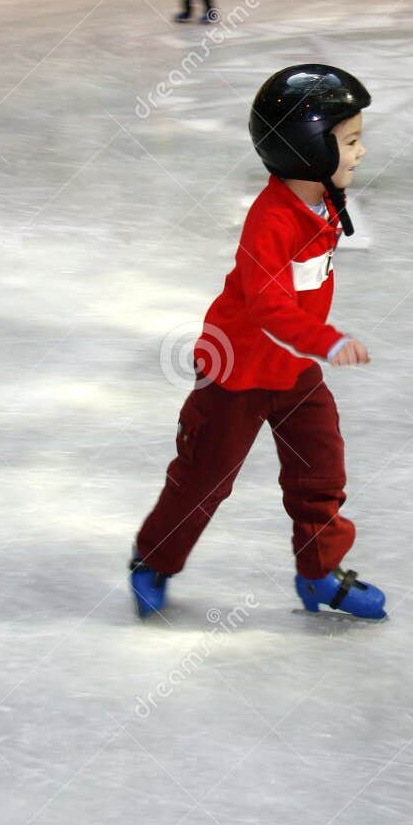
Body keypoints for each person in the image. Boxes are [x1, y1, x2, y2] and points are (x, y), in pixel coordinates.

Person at [130, 63, 386, 621]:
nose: (361, 153)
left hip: (292, 371)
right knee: (203, 478)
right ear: (307, 149)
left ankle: (318, 574)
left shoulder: (321, 200)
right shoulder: (269, 221)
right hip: (237, 373)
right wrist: (326, 339)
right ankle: (153, 559)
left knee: (321, 470)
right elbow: (269, 306)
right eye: (350, 141)